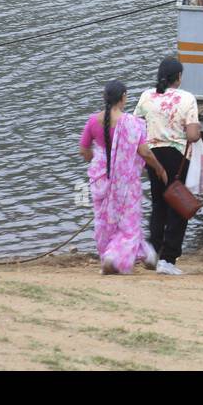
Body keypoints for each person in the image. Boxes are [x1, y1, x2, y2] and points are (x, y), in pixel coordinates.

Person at [80, 79, 171, 275]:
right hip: (124, 179)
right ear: (123, 98)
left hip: (100, 177)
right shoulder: (130, 123)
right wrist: (159, 168)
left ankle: (109, 255)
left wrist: (97, 159)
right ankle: (115, 257)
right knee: (128, 222)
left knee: (104, 219)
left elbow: (84, 150)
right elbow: (145, 152)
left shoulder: (93, 121)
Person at [133, 56, 201, 276]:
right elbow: (192, 134)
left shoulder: (146, 96)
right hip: (178, 157)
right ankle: (168, 260)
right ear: (179, 77)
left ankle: (153, 249)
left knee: (159, 203)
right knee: (179, 205)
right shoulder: (187, 98)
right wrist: (195, 131)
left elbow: (135, 125)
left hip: (152, 156)